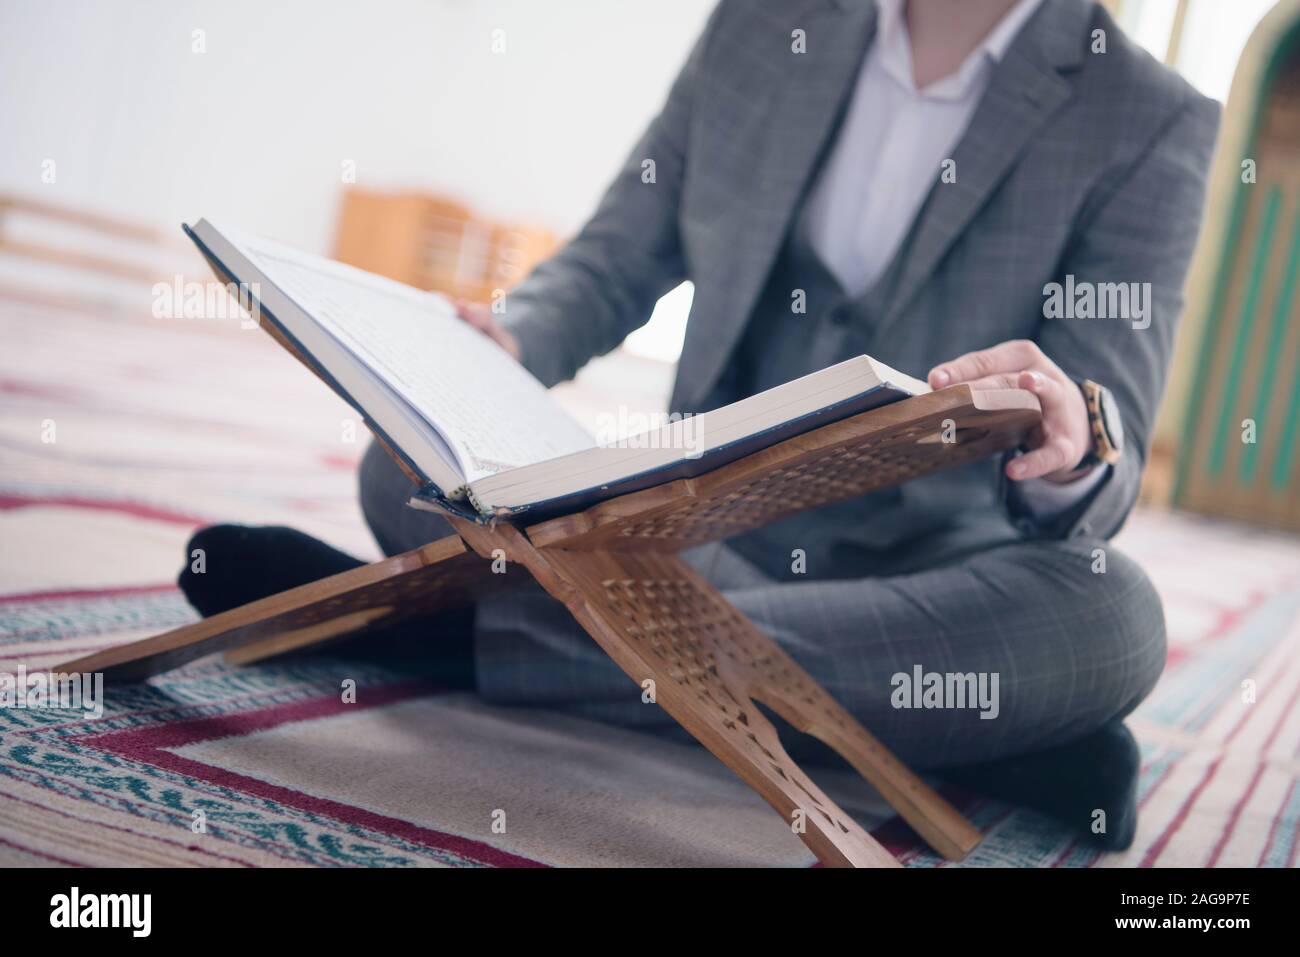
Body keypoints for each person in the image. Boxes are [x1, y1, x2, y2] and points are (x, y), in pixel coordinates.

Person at [182, 0, 1220, 850]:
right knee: (405, 470)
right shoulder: (763, 24)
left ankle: (455, 639)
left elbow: (1105, 413)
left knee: (1109, 621)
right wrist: (504, 346)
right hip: (697, 522)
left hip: (920, 571)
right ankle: (939, 726)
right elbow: (615, 257)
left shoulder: (1151, 116)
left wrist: (1068, 439)